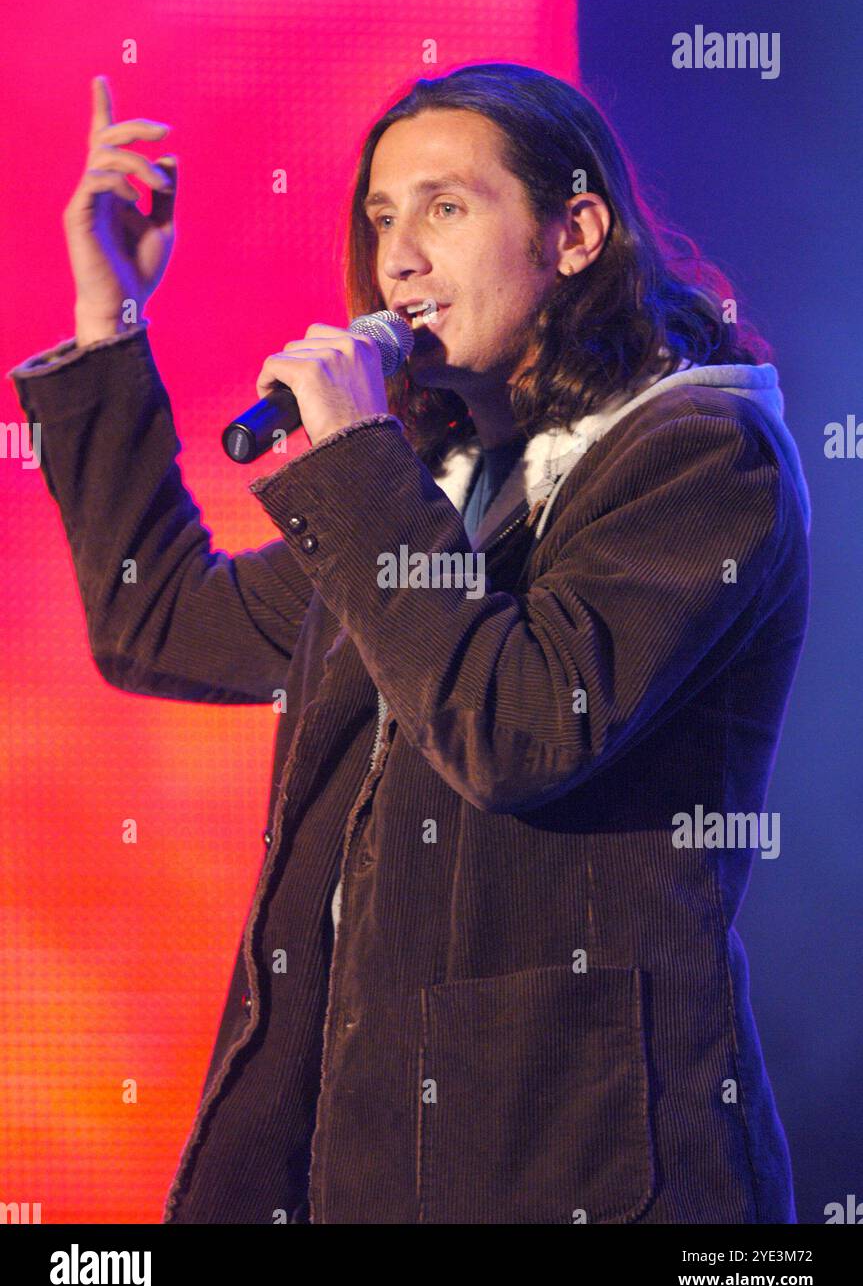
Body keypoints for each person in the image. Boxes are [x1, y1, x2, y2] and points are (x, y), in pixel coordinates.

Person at [8, 63, 811, 1225]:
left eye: (444, 207)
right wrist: (110, 321)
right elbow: (159, 620)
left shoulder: (697, 456)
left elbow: (521, 727)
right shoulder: (445, 488)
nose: (397, 258)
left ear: (573, 231)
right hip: (371, 1163)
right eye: (381, 217)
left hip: (584, 1166)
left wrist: (357, 463)